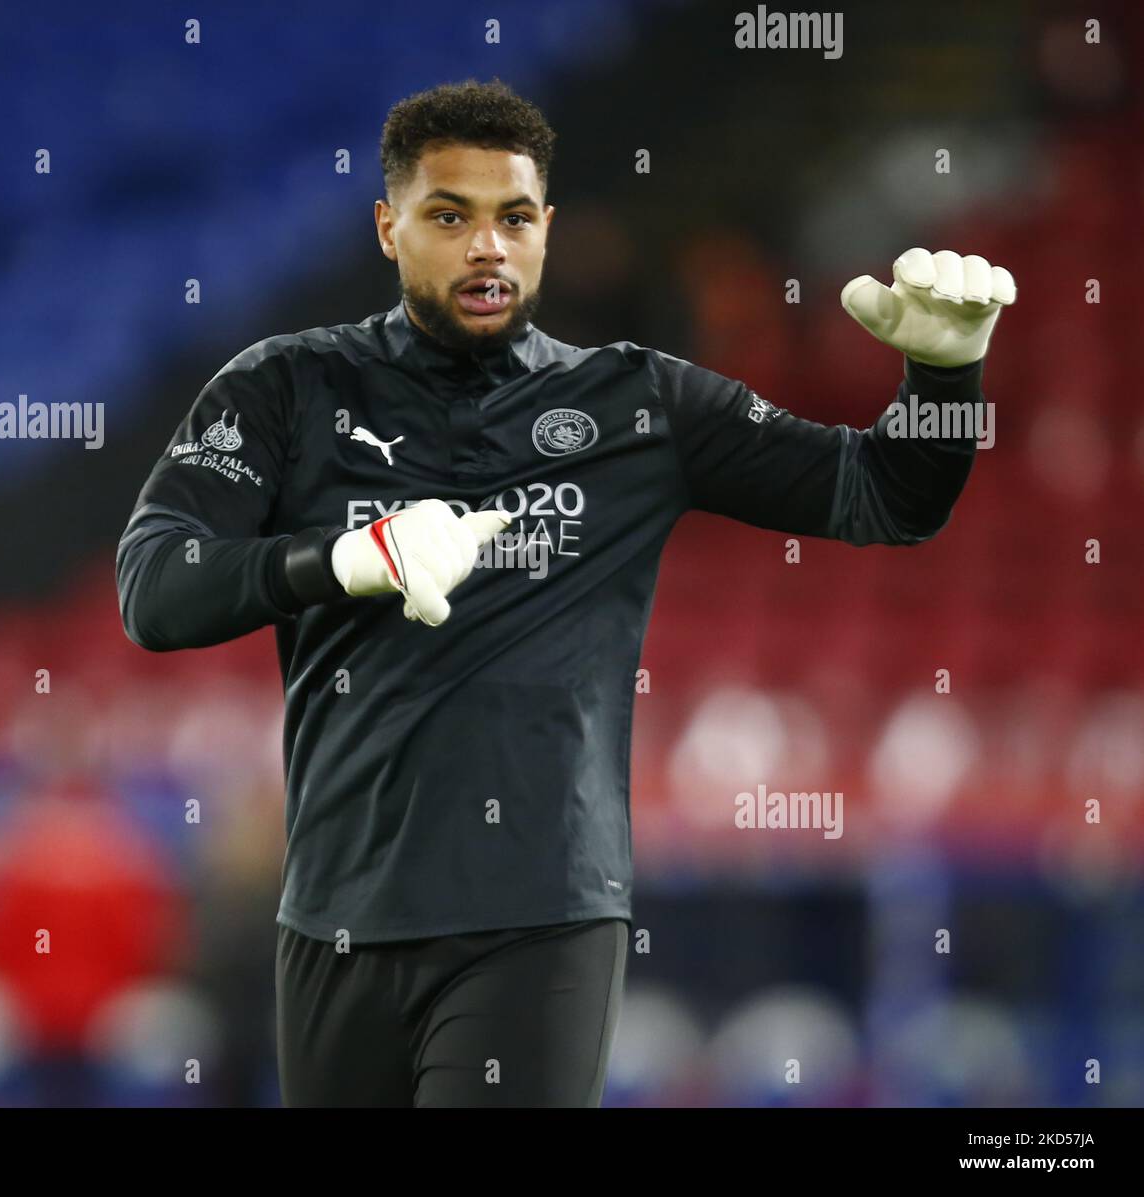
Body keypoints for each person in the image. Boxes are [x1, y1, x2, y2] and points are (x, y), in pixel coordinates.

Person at [115, 77, 1015, 1107]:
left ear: (546, 229)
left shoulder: (639, 404)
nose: (485, 247)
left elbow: (884, 498)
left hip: (538, 919)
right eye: (447, 217)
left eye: (512, 218)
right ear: (387, 228)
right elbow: (155, 589)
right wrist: (342, 561)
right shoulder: (283, 390)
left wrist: (943, 382)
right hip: (334, 919)